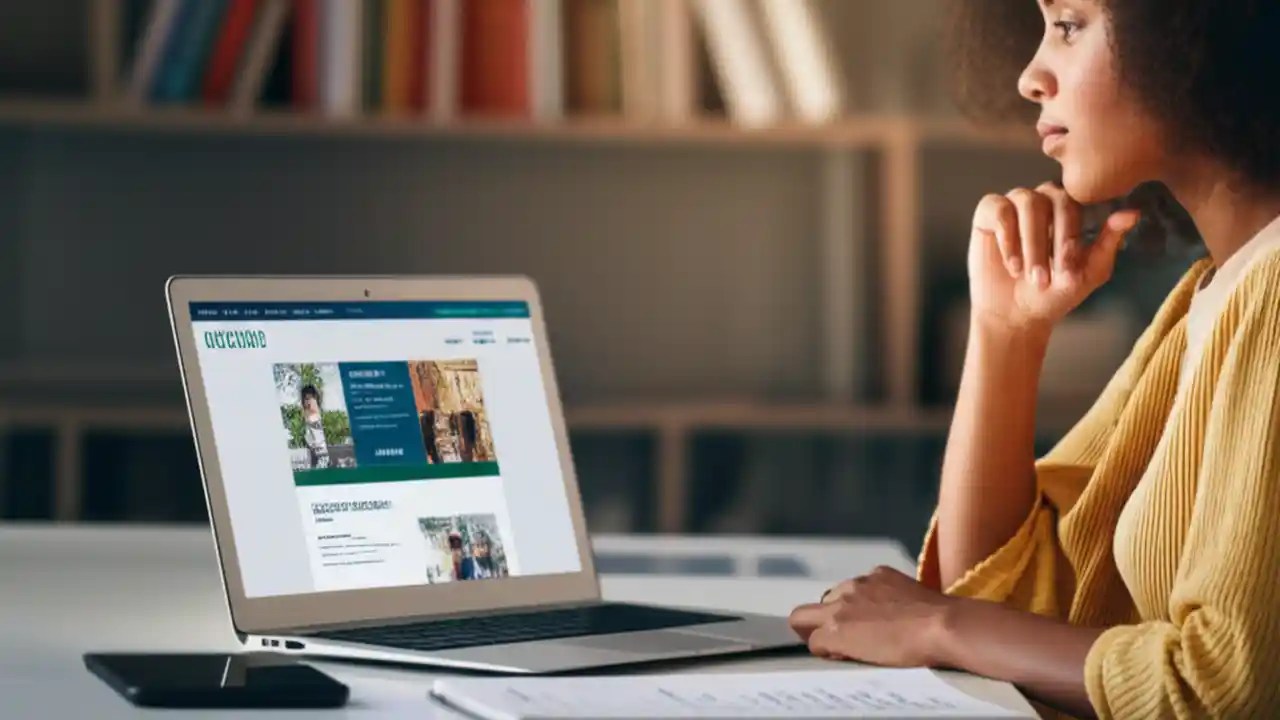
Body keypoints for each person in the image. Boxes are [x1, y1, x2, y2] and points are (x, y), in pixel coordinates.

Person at [788, 2, 1280, 718]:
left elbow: (1224, 690)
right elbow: (1007, 602)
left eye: (1071, 24)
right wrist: (1005, 334)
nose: (1029, 76)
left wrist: (936, 625)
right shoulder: (1209, 293)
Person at [300, 385, 329, 469]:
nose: (308, 402)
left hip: (320, 452)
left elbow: (313, 418)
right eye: (306, 399)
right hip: (315, 451)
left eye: (309, 399)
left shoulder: (314, 415)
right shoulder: (310, 413)